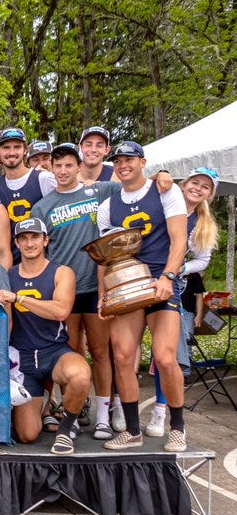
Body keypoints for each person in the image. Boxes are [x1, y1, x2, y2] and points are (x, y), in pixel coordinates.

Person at [96, 141, 189, 452]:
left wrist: (168, 276)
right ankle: (132, 431)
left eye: (129, 159)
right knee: (122, 357)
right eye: (119, 160)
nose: (123, 165)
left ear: (142, 161)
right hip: (127, 285)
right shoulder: (108, 206)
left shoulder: (165, 191)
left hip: (161, 281)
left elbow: (179, 241)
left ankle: (177, 427)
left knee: (164, 357)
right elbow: (106, 258)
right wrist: (103, 295)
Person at [30, 143, 117, 440]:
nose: (63, 171)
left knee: (101, 351)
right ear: (51, 169)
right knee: (71, 352)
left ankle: (104, 415)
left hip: (95, 285)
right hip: (63, 290)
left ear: (79, 166)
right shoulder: (43, 207)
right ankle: (75, 412)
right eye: (58, 166)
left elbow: (136, 186)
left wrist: (164, 175)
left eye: (69, 165)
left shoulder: (100, 191)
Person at [0, 218, 92, 453]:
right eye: (23, 238)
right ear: (16, 243)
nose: (29, 243)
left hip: (53, 351)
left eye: (35, 237)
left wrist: (19, 298)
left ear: (45, 240)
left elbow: (60, 311)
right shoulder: (7, 274)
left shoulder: (61, 272)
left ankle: (66, 430)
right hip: (21, 358)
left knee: (79, 376)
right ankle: (46, 396)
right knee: (28, 434)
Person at [147, 166, 219, 437]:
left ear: (209, 195)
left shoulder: (202, 224)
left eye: (205, 187)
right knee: (124, 349)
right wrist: (162, 173)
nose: (198, 188)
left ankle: (161, 411)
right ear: (185, 181)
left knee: (167, 354)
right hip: (141, 276)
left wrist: (180, 269)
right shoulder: (164, 197)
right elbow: (143, 182)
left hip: (171, 283)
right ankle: (118, 407)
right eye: (195, 182)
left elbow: (203, 260)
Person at [0, 128, 56, 226]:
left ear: (25, 150)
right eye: (6, 147)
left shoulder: (44, 179)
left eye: (17, 147)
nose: (11, 153)